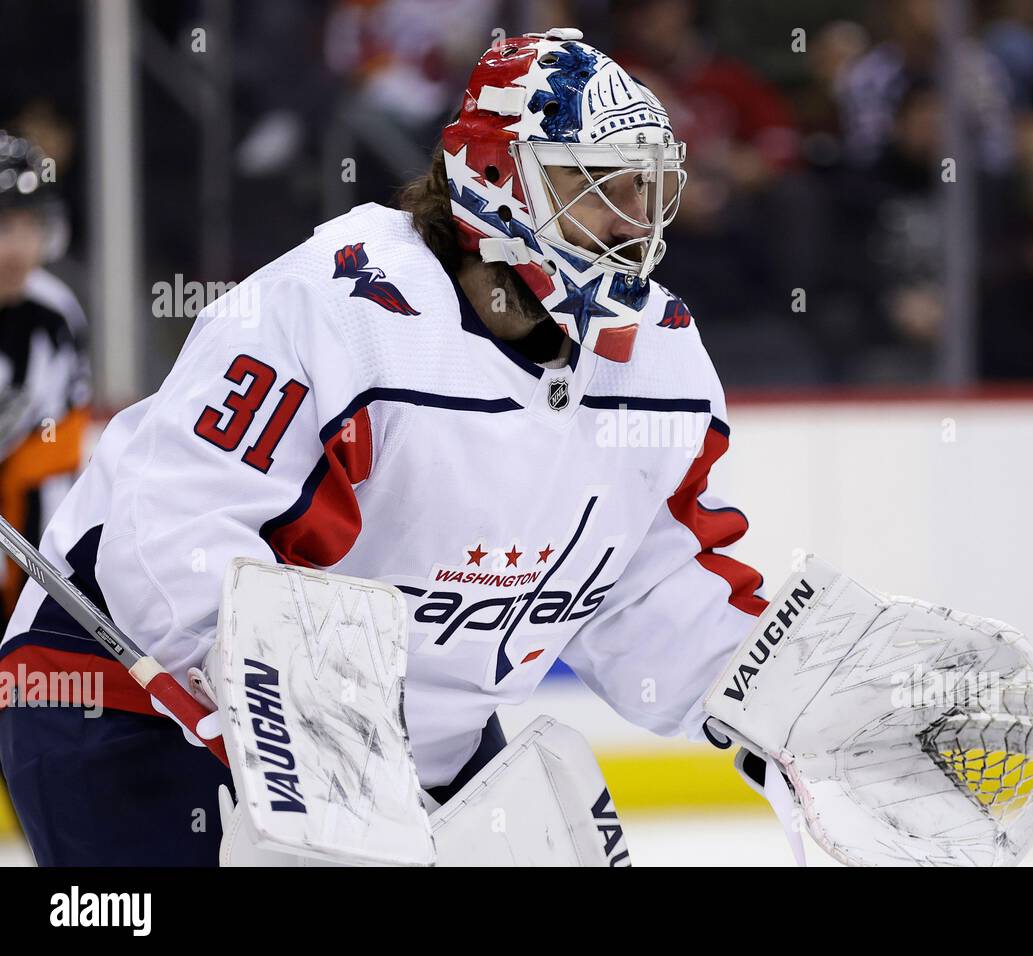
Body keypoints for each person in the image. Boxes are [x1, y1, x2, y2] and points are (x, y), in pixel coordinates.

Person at [0, 29, 766, 865]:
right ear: (496, 180)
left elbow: (661, 598)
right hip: (138, 706)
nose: (629, 217)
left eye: (642, 187)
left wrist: (803, 710)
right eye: (593, 184)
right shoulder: (339, 309)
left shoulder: (658, 360)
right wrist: (319, 756)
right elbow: (173, 542)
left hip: (412, 738)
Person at [0, 132, 90, 627]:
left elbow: (50, 464)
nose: (20, 246)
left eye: (32, 225)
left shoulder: (53, 316)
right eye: (4, 225)